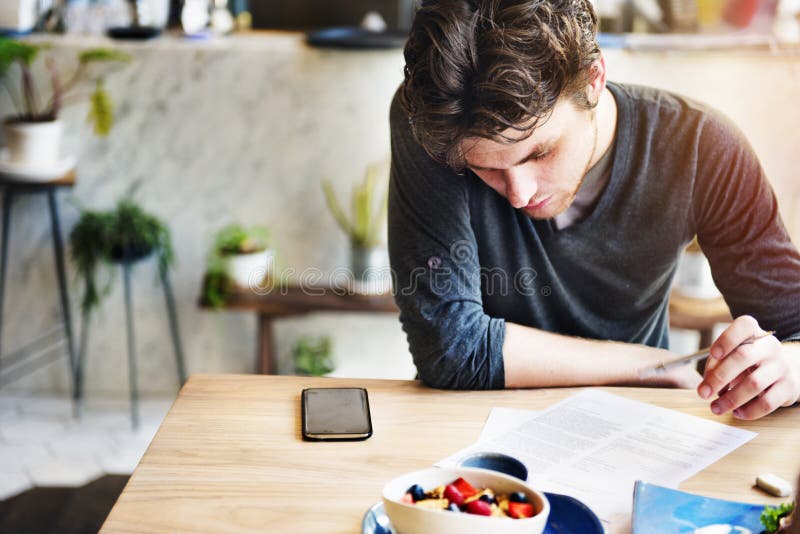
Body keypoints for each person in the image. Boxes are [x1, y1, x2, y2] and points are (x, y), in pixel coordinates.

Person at [387, 0, 800, 420]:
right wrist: (650, 366)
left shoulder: (700, 145)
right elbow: (451, 348)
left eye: (540, 154)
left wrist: (788, 366)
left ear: (593, 79)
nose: (518, 194)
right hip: (473, 424)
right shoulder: (437, 125)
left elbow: (794, 326)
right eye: (484, 168)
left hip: (640, 420)